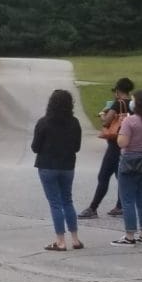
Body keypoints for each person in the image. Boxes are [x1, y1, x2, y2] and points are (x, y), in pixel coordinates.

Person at [32, 89, 84, 251]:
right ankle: (75, 239)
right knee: (67, 200)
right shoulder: (74, 122)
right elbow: (77, 147)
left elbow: (35, 147)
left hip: (47, 166)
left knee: (55, 203)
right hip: (67, 166)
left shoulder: (43, 122)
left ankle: (60, 241)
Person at [112, 89, 142, 246]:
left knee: (127, 199)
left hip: (129, 159)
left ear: (138, 103)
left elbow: (122, 142)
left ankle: (129, 236)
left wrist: (121, 130)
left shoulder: (130, 121)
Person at [80, 77, 134, 219]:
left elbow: (106, 122)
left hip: (114, 145)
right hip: (126, 144)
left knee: (103, 176)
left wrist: (103, 114)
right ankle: (120, 206)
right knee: (120, 176)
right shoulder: (134, 105)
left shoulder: (117, 104)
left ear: (117, 91)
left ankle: (93, 208)